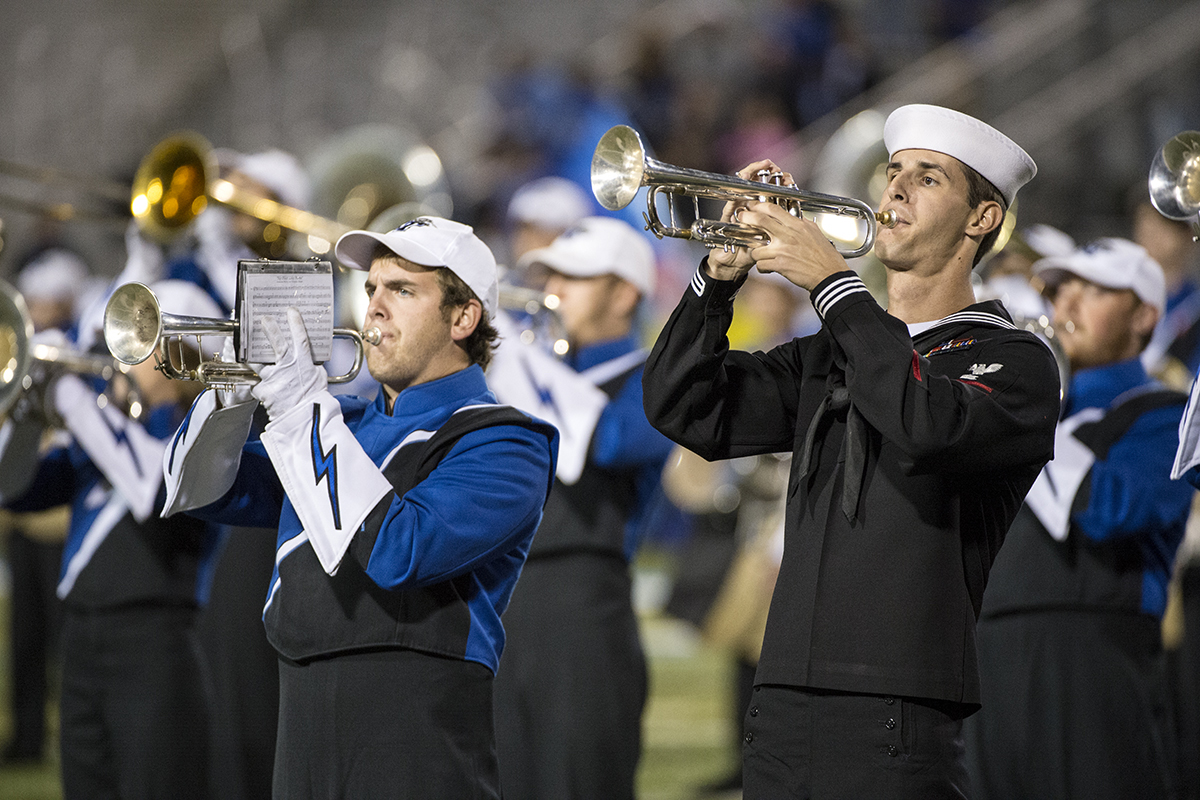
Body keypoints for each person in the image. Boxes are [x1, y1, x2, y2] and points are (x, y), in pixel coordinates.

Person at [640, 103, 1062, 798]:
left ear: (982, 217)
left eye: (927, 178)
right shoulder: (834, 351)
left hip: (897, 712)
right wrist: (717, 277)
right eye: (893, 172)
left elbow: (924, 421)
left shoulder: (1014, 361)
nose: (892, 188)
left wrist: (833, 285)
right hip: (778, 703)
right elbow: (686, 407)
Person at [160, 216, 558, 798]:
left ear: (463, 317)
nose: (373, 307)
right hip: (298, 709)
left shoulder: (505, 441)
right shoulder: (338, 424)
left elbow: (402, 550)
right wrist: (228, 396)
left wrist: (300, 408)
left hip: (414, 721)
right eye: (371, 288)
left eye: (402, 289)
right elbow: (196, 489)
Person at [965, 238, 1192, 799]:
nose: (1066, 305)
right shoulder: (1010, 410)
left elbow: (1106, 508)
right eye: (1062, 288)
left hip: (1092, 655)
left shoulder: (1167, 414)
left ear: (1143, 316)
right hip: (981, 649)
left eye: (1094, 291)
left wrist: (1027, 398)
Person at [0, 280, 223, 799]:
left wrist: (77, 405)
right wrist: (30, 406)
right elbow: (11, 487)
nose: (117, 360)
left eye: (137, 344)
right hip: (80, 641)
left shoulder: (200, 436)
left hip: (154, 645)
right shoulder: (105, 435)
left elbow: (151, 487)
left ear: (182, 357)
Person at [486, 215, 673, 799]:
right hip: (499, 606)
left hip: (583, 610)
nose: (553, 291)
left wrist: (517, 359)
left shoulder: (658, 377)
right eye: (550, 276)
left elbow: (610, 440)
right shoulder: (518, 370)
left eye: (576, 278)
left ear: (624, 293)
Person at [0, 247, 91, 765]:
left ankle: (63, 733)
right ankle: (27, 737)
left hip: (60, 526)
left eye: (46, 304)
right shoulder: (22, 356)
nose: (37, 313)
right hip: (25, 518)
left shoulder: (76, 355)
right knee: (25, 642)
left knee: (65, 641)